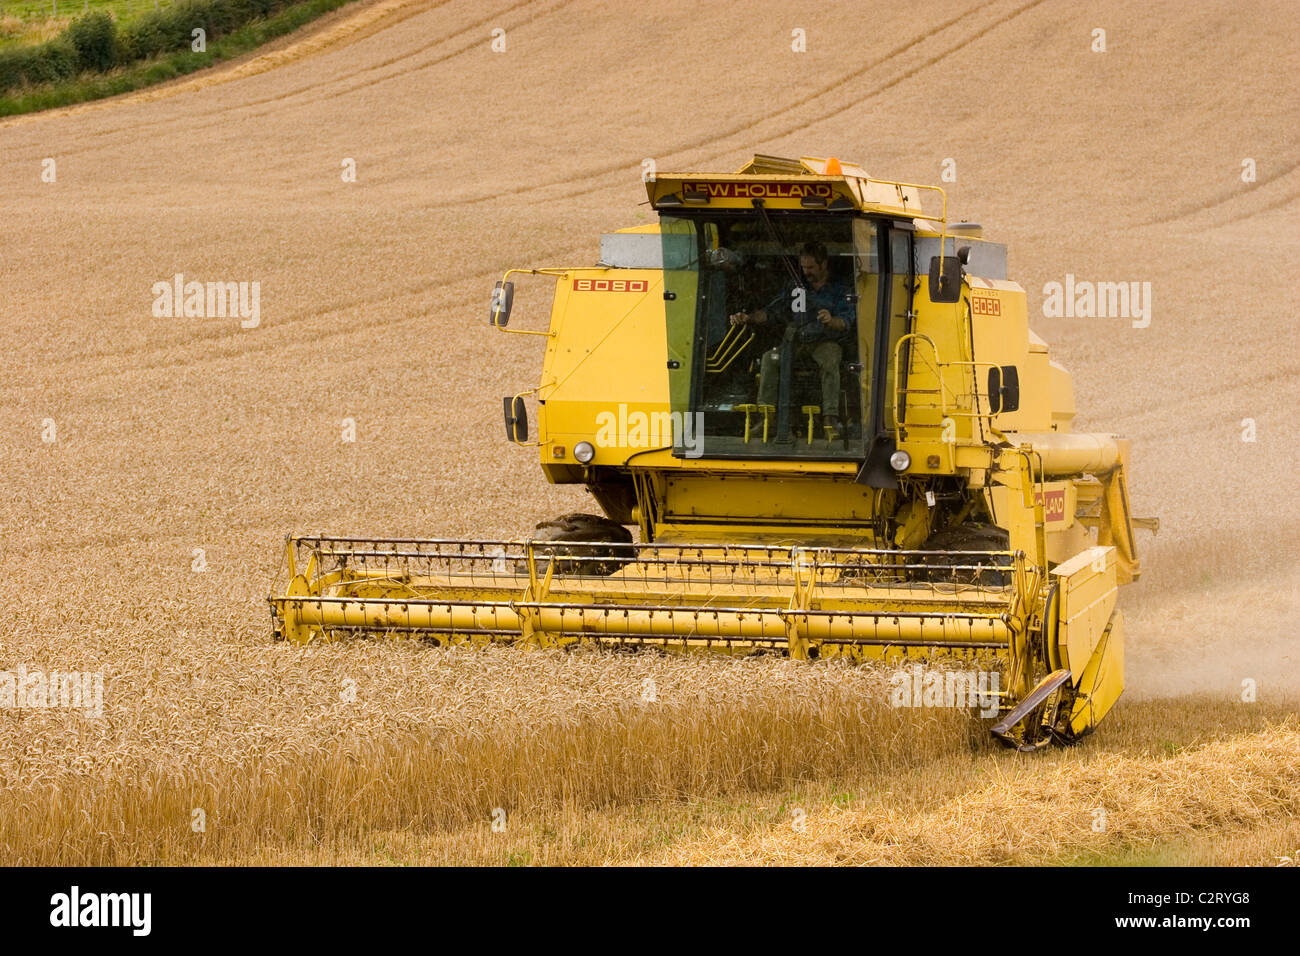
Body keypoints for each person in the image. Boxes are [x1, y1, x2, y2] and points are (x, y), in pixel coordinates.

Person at [728, 241, 854, 438]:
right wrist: (748, 318)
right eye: (803, 267)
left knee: (830, 359)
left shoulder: (839, 289)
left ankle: (830, 419)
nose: (806, 272)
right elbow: (772, 312)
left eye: (811, 267)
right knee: (770, 359)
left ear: (824, 265)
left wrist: (831, 320)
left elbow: (846, 322)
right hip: (796, 342)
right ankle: (767, 419)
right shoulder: (795, 286)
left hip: (826, 342)